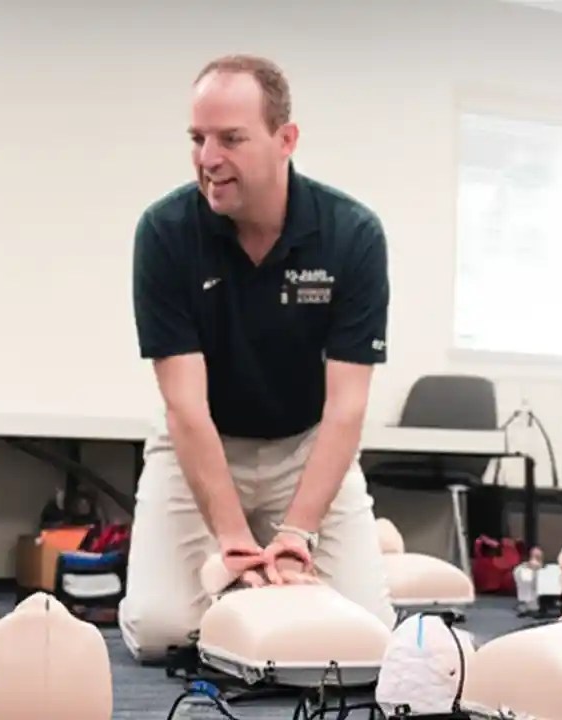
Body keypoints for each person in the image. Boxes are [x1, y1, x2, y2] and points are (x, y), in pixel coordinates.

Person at [122, 53, 396, 661]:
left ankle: (353, 552)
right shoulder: (165, 234)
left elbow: (347, 408)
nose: (207, 158)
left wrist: (297, 533)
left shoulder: (352, 235)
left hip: (304, 446)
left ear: (285, 140)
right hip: (202, 442)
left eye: (231, 139)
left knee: (368, 637)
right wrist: (231, 540)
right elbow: (185, 406)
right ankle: (237, 575)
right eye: (198, 139)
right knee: (161, 631)